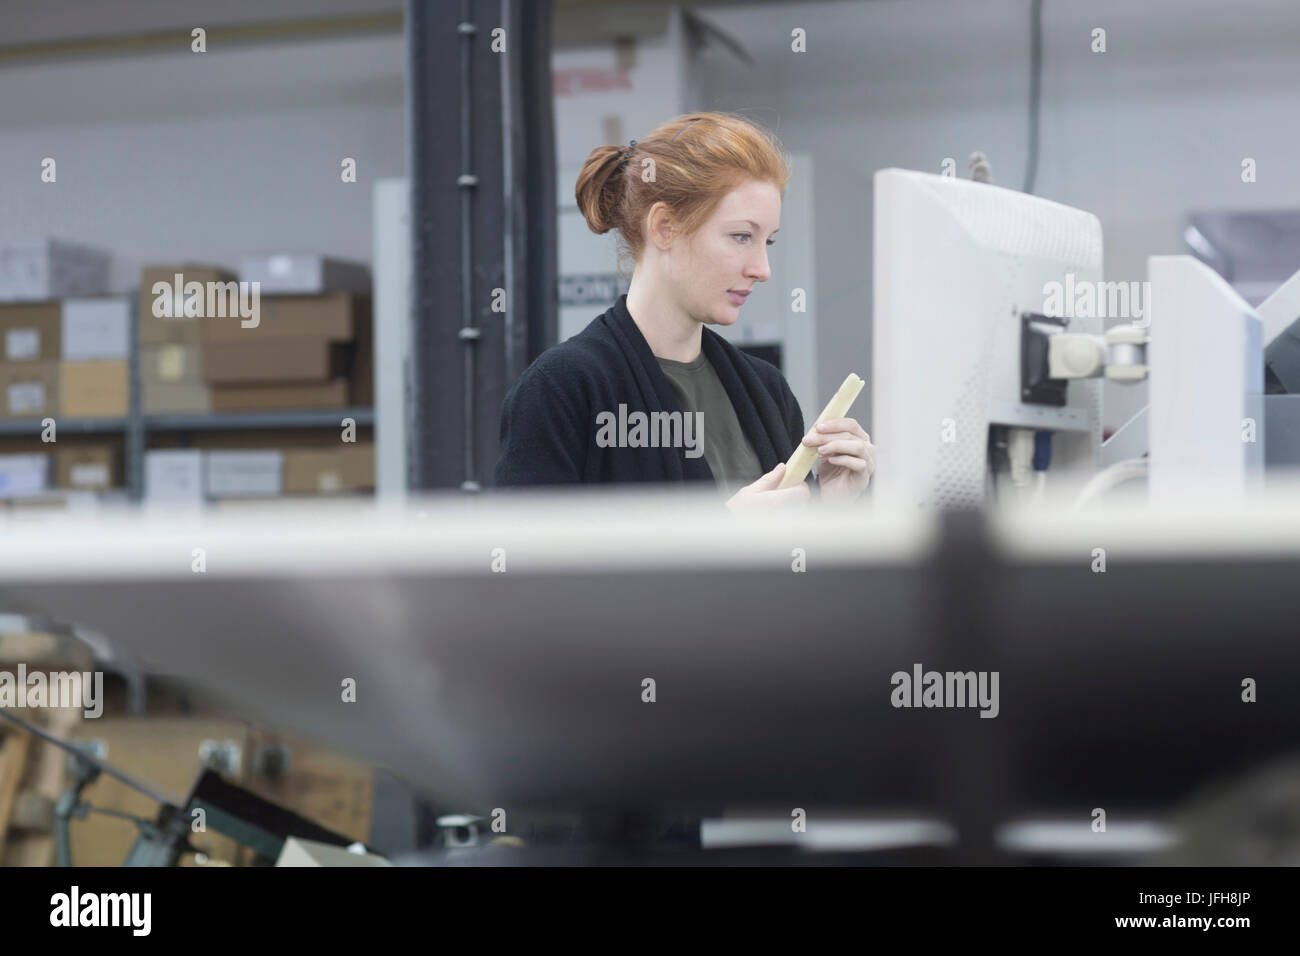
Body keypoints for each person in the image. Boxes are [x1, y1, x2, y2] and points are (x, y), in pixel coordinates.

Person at [493, 111, 874, 510]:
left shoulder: (766, 390)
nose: (762, 270)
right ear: (664, 227)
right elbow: (528, 566)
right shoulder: (562, 389)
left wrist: (829, 504)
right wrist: (724, 538)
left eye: (769, 242)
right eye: (741, 236)